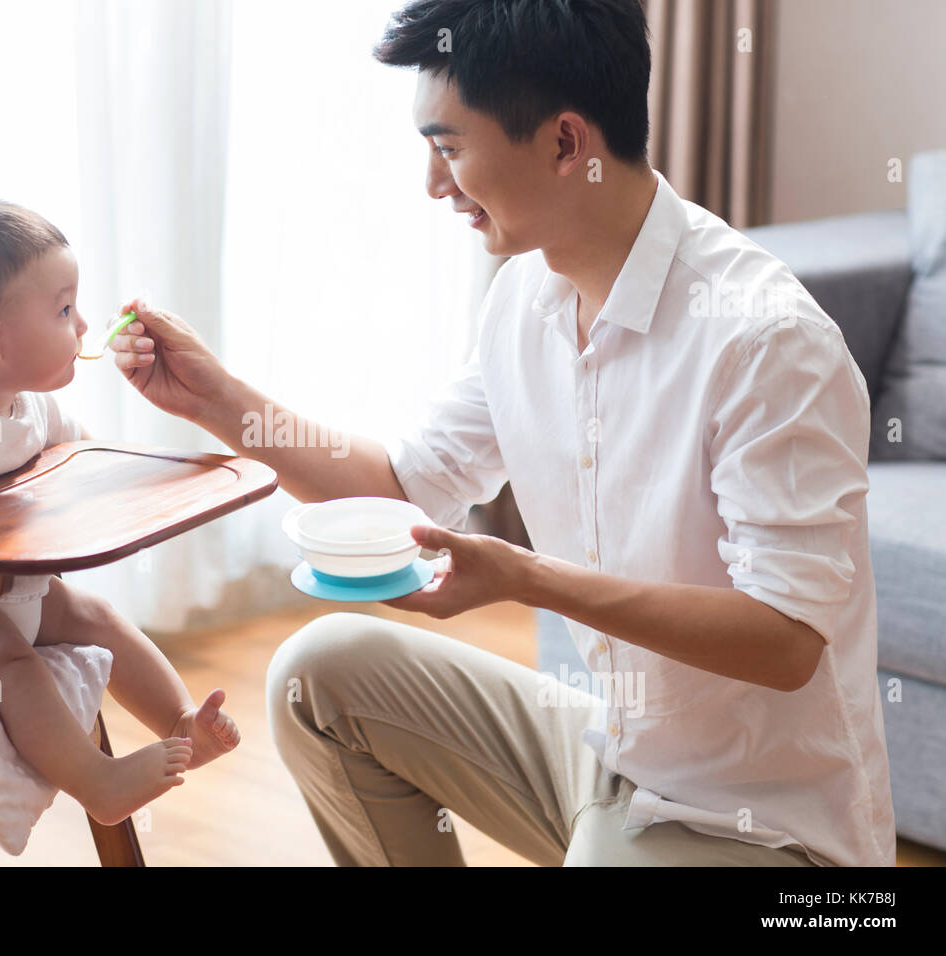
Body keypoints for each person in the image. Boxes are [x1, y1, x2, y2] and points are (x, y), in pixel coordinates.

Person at [106, 0, 894, 865]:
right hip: (614, 757)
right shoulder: (526, 302)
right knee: (319, 675)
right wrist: (217, 401)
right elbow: (402, 493)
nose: (434, 185)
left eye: (449, 148)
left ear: (565, 143)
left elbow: (785, 641)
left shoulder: (764, 339)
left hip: (772, 826)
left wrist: (528, 579)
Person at [0, 198, 240, 826]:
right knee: (8, 662)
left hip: (10, 583)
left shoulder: (31, 404)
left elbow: (83, 464)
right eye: (63, 310)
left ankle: (182, 723)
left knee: (97, 615)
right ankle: (99, 784)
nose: (83, 326)